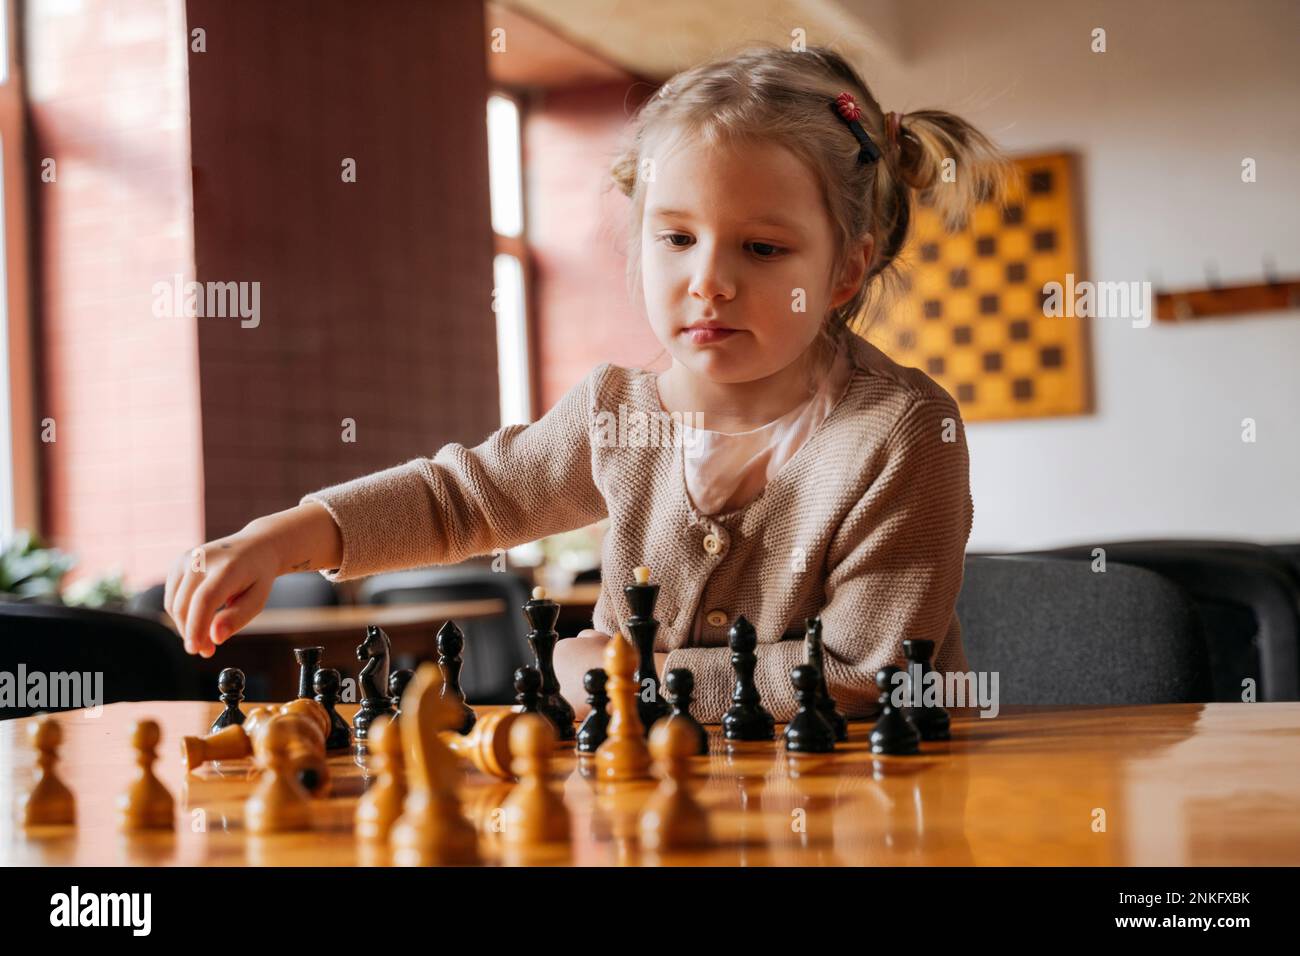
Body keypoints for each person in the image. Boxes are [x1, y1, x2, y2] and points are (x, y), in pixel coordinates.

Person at [164, 45, 1011, 722]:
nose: (707, 281)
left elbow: (865, 675)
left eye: (761, 249)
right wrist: (291, 535)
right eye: (675, 239)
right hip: (660, 811)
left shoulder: (900, 431)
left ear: (845, 270)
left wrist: (627, 678)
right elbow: (466, 498)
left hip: (872, 815)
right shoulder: (616, 412)